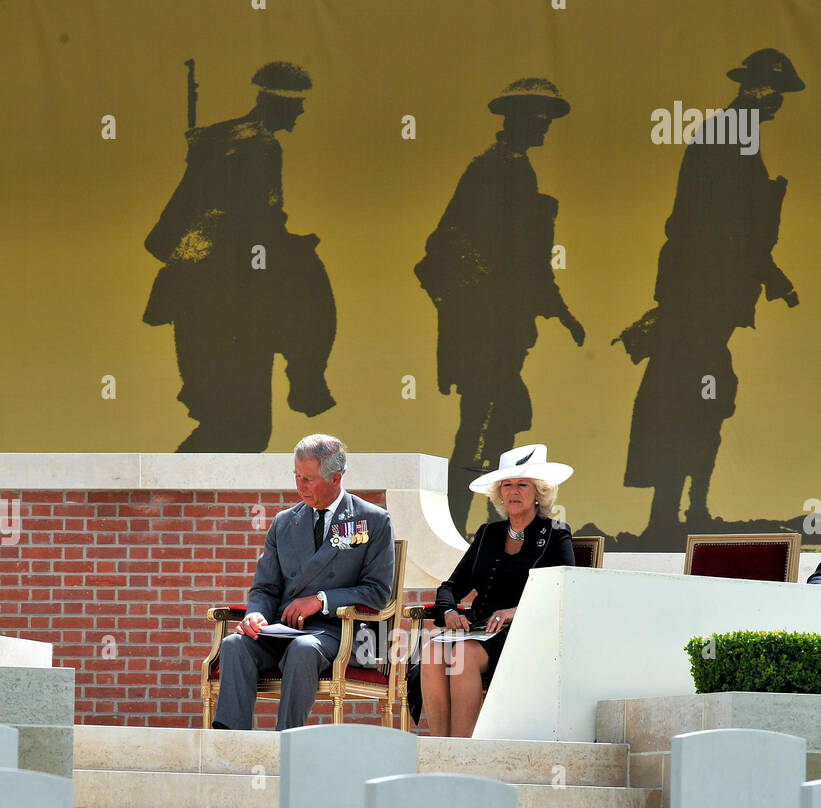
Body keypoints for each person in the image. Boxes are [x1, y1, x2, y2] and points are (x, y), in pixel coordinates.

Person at [615, 50, 804, 541]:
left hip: (705, 300)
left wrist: (765, 272)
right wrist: (771, 274)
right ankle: (675, 515)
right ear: (753, 88)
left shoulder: (732, 137)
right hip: (699, 300)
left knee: (698, 398)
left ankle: (682, 512)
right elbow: (722, 226)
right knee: (694, 400)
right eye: (773, 91)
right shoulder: (727, 139)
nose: (778, 103)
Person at [415, 78, 585, 538]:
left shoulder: (512, 169)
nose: (544, 129)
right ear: (518, 120)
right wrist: (485, 305)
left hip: (502, 329)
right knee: (483, 421)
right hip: (484, 331)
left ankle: (487, 522)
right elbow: (453, 248)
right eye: (537, 120)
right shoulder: (495, 170)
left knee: (496, 418)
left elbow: (525, 258)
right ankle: (462, 524)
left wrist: (555, 309)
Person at [144, 61, 336, 452]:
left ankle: (307, 381)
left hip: (197, 295)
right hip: (235, 304)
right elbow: (261, 223)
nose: (300, 113)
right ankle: (307, 383)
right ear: (279, 103)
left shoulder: (218, 141)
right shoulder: (262, 146)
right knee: (244, 429)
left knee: (225, 427)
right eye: (296, 105)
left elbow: (171, 229)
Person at [212, 435, 394, 730]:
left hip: (340, 632)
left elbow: (377, 593)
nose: (299, 486)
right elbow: (265, 588)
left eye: (308, 479)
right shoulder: (284, 522)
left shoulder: (373, 520)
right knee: (234, 645)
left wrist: (321, 600)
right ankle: (231, 742)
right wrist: (255, 613)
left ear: (335, 479)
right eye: (296, 476)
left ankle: (287, 743)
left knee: (303, 649)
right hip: (281, 628)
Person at [418, 445, 574, 737]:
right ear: (499, 493)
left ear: (539, 491)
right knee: (432, 651)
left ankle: (464, 754)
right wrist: (449, 611)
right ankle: (442, 751)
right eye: (507, 485)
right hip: (478, 630)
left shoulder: (556, 534)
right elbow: (450, 587)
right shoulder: (487, 534)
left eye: (522, 485)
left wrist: (512, 613)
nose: (513, 491)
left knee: (462, 653)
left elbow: (564, 592)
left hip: (525, 634)